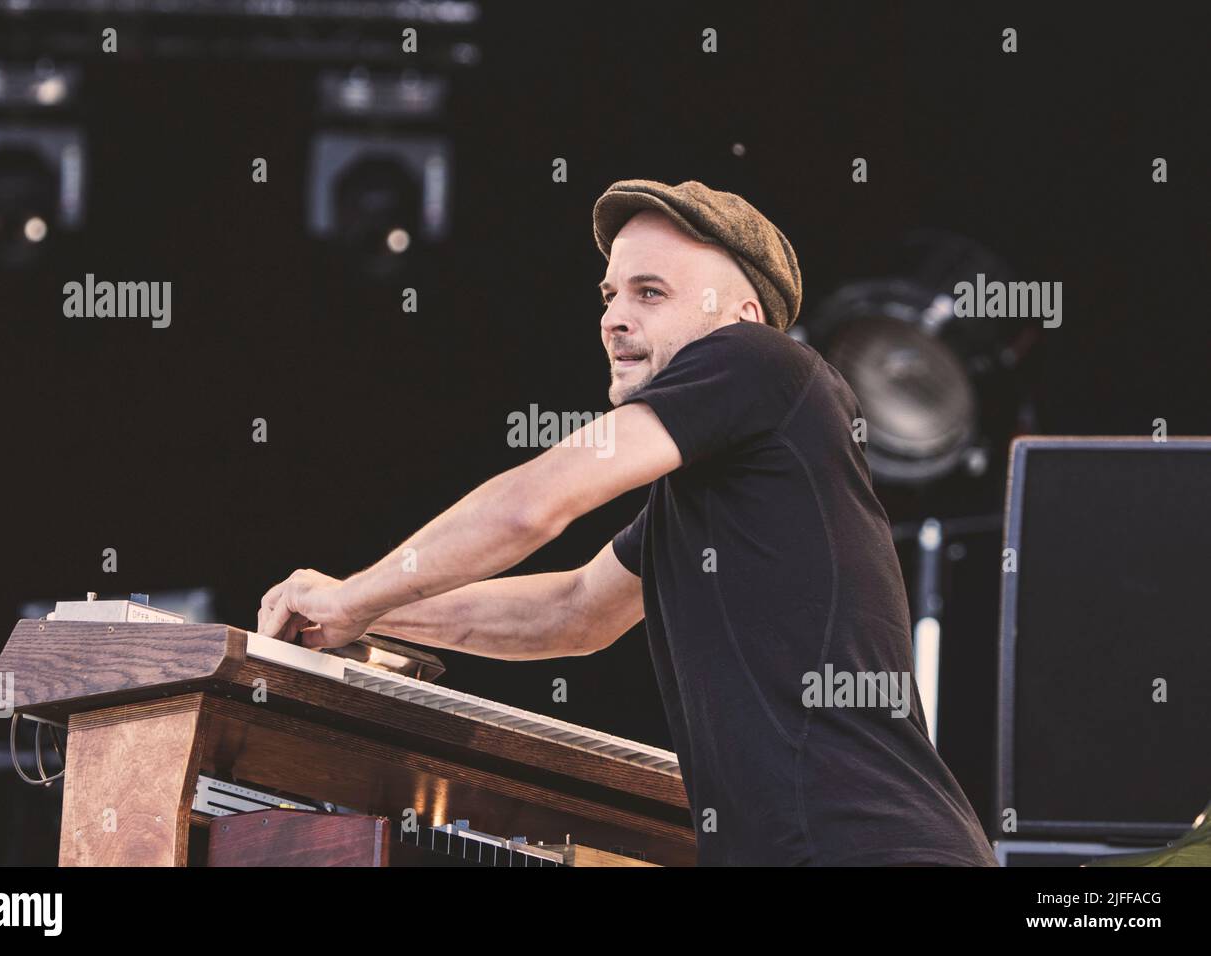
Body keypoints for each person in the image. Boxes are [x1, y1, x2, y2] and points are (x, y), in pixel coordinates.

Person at [258, 179, 998, 866]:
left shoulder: (762, 360)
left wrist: (352, 595)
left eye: (651, 292)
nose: (614, 318)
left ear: (741, 317)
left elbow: (531, 504)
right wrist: (365, 616)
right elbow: (572, 611)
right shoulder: (715, 495)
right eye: (611, 294)